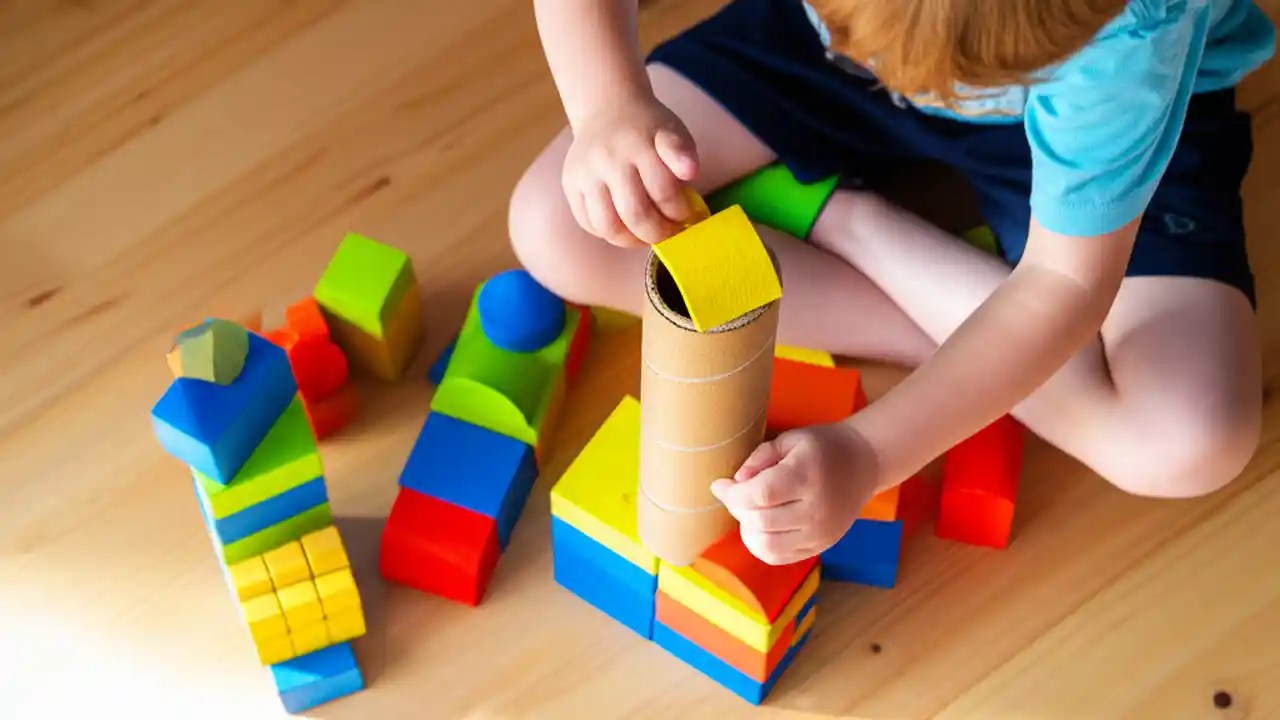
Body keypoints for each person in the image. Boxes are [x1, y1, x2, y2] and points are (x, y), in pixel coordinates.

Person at [510, 0, 1276, 564]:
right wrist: (608, 104)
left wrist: (871, 453)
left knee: (1188, 440)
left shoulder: (1131, 34)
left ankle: (848, 222)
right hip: (828, 50)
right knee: (556, 226)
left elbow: (1065, 285)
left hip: (1097, 86)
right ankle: (981, 345)